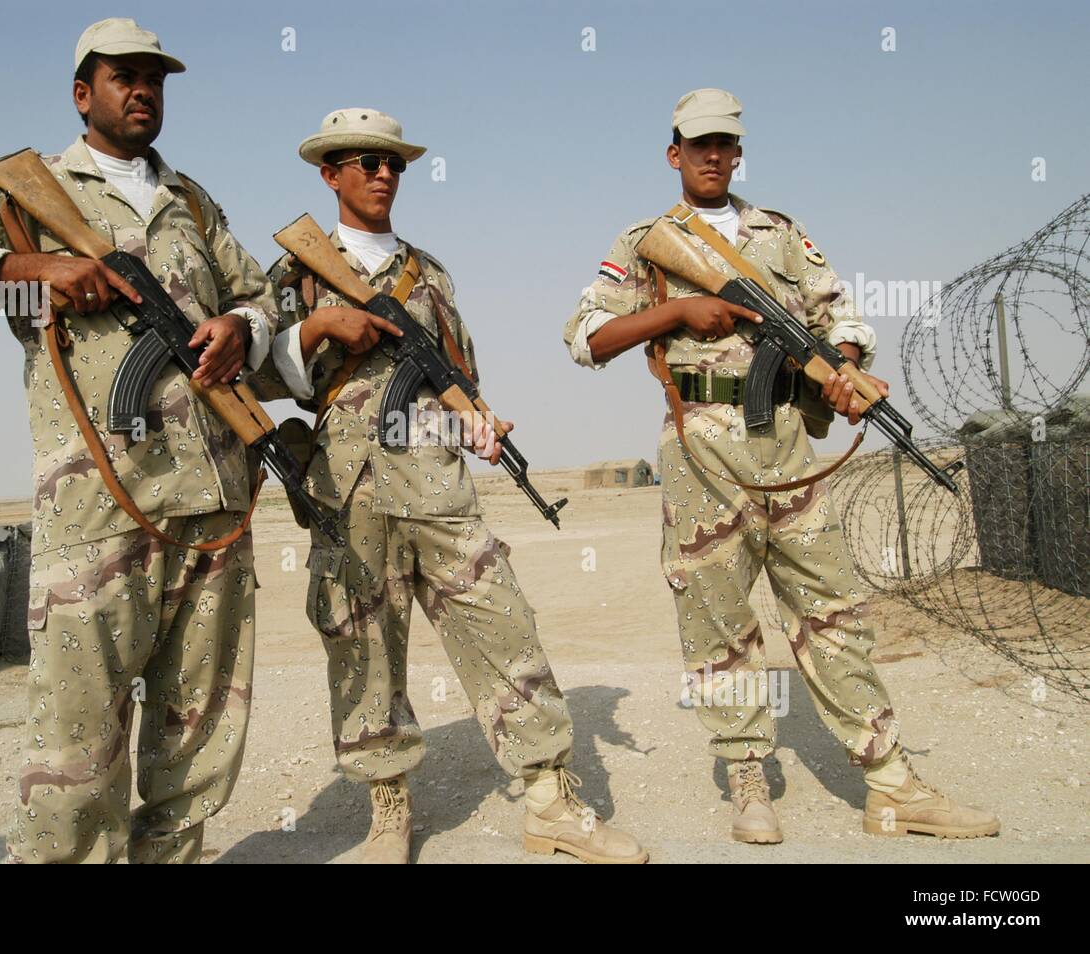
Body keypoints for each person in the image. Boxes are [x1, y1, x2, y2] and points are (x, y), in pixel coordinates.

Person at [0, 18, 279, 863]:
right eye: (123, 76)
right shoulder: (23, 191)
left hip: (213, 507)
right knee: (77, 746)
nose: (143, 90)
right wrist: (36, 270)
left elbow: (261, 295)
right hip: (98, 507)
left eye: (155, 78)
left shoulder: (193, 203)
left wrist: (243, 326)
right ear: (82, 93)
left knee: (199, 730)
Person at [563, 88, 1000, 844]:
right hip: (697, 446)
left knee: (832, 610)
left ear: (738, 152)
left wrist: (847, 366)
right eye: (697, 144)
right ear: (674, 153)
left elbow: (841, 315)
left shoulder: (782, 233)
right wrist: (676, 314)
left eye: (724, 144)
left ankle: (890, 782)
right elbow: (587, 337)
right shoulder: (647, 241)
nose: (711, 155)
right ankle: (746, 781)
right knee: (718, 621)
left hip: (788, 445)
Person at [257, 108, 647, 864]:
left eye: (393, 162)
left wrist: (479, 422)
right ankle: (387, 811)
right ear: (329, 174)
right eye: (363, 161)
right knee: (361, 640)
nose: (381, 173)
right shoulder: (295, 272)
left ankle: (549, 800)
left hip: (436, 480)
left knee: (502, 623)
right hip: (345, 486)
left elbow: (457, 375)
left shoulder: (428, 273)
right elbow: (257, 371)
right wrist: (316, 328)